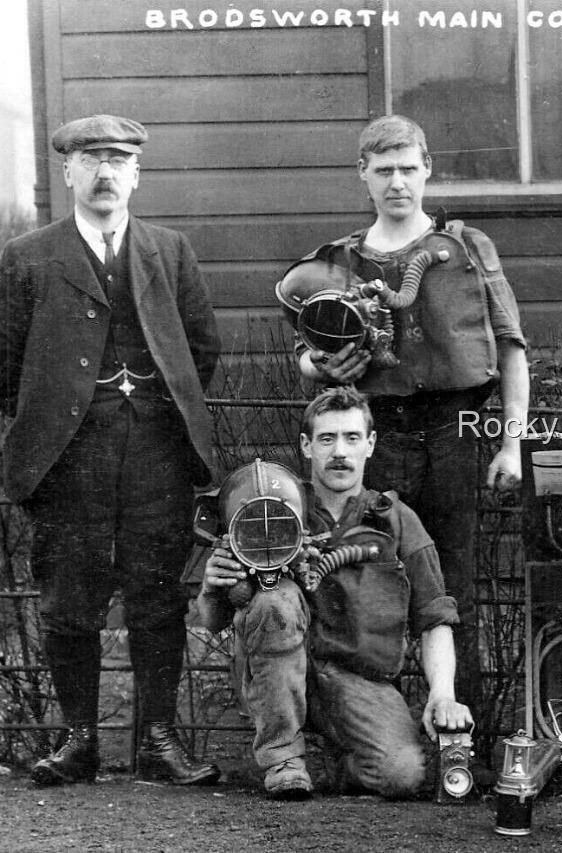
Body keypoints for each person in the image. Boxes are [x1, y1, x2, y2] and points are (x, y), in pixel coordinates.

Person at [279, 115, 529, 715]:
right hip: (377, 432)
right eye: (384, 170)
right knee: (371, 574)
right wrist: (322, 369)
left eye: (408, 169)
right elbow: (304, 349)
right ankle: (375, 720)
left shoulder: (466, 249)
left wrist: (511, 443)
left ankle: (459, 729)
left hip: (456, 429)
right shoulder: (338, 264)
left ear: (428, 171)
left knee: (454, 582)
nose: (397, 183)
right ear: (362, 175)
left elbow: (511, 344)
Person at [0, 115, 221, 786]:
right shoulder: (28, 257)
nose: (104, 171)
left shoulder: (169, 251)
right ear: (67, 171)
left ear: (135, 172)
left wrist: (155, 407)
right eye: (90, 159)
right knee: (71, 599)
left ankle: (156, 740)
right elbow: (5, 366)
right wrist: (59, 417)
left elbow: (201, 348)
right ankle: (80, 741)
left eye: (117, 159)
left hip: (157, 452)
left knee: (158, 597)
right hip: (71, 458)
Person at [196, 387, 472, 799]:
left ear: (371, 445)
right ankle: (283, 760)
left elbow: (434, 617)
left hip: (357, 679)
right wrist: (212, 584)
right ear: (307, 446)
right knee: (275, 600)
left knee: (403, 775)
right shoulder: (270, 507)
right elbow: (214, 619)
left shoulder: (396, 520)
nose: (339, 452)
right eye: (327, 439)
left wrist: (443, 693)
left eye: (351, 438)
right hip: (282, 666)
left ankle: (334, 761)